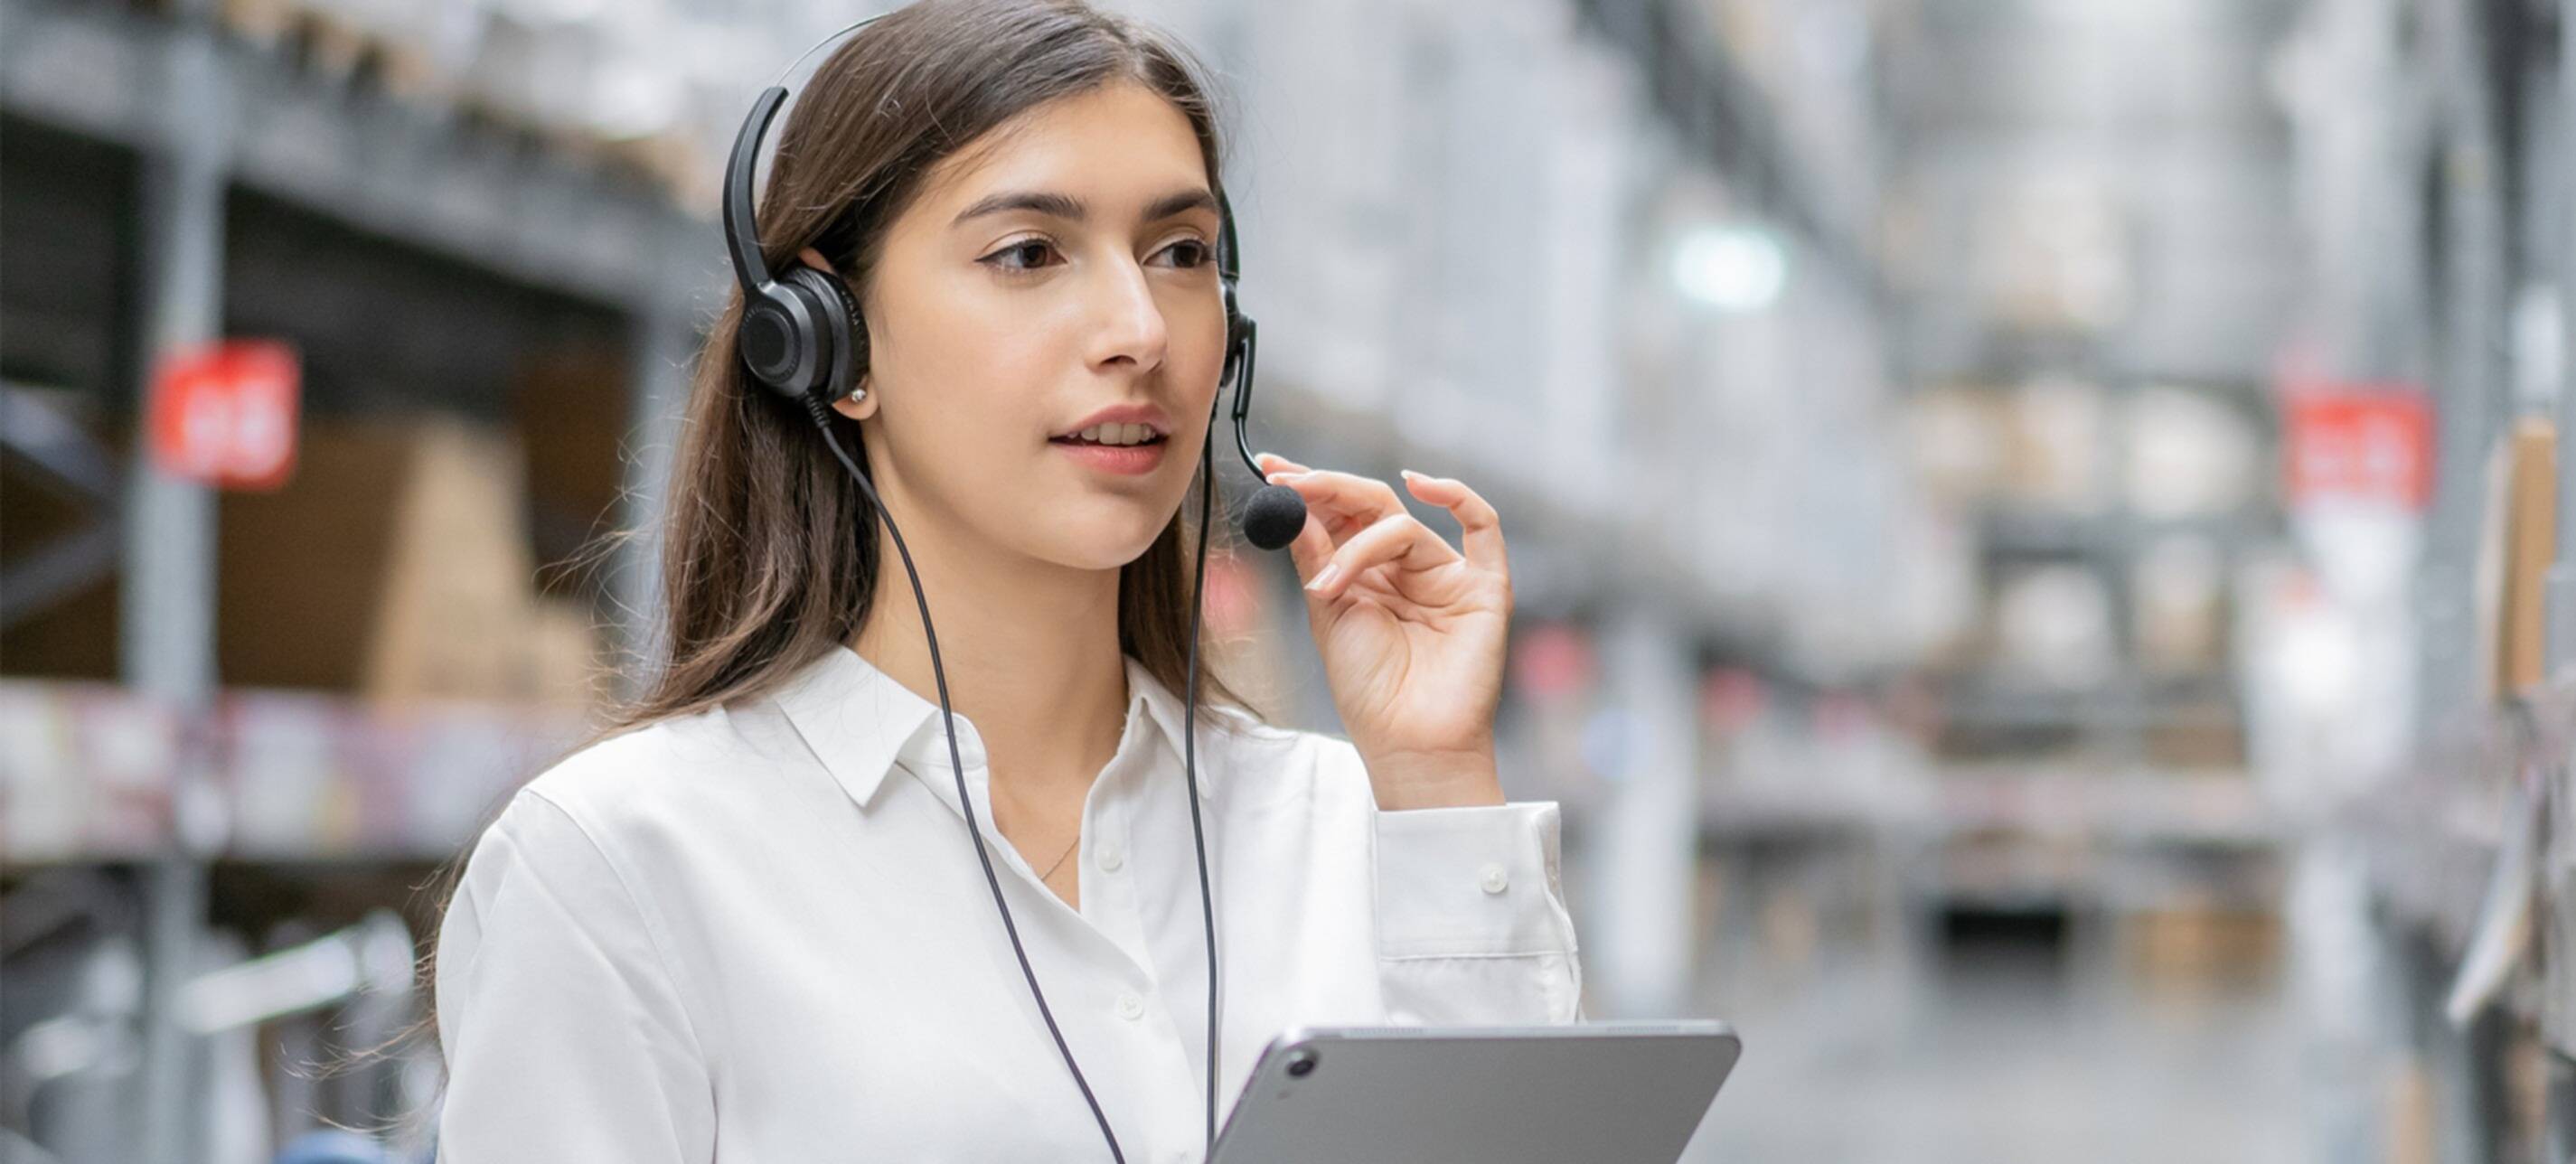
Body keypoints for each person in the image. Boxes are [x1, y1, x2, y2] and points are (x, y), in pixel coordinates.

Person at [428, 1, 1581, 1159]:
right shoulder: (625, 863)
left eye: (1179, 253)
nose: (1139, 329)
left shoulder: (1344, 832)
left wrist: (1436, 780)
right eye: (1029, 253)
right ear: (832, 341)